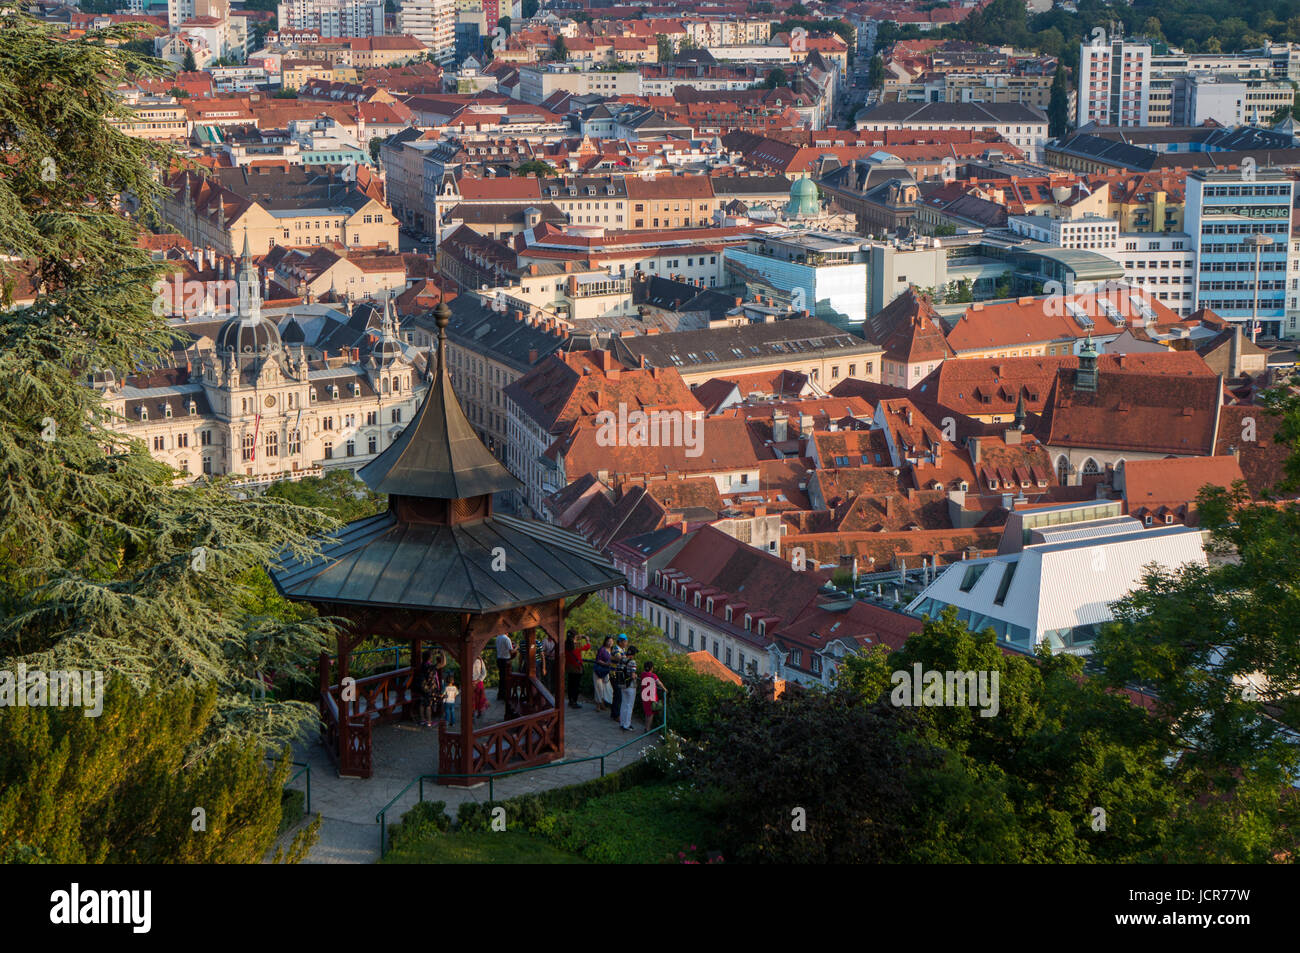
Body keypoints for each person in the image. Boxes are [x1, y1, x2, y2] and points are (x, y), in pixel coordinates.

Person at [616, 646, 639, 731]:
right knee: (629, 706)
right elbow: (633, 675)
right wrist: (636, 676)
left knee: (623, 704)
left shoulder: (621, 660)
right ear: (633, 654)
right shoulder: (632, 662)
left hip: (622, 685)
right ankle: (627, 725)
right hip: (630, 686)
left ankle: (622, 723)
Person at [564, 631, 589, 709]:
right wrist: (587, 640)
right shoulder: (577, 645)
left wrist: (580, 636)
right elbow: (587, 647)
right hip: (577, 668)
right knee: (576, 685)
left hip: (569, 667)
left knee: (570, 684)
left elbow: (573, 638)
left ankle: (570, 700)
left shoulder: (565, 644)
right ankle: (574, 702)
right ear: (574, 637)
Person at [639, 660, 666, 731]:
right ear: (652, 668)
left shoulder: (642, 674)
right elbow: (659, 683)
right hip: (651, 696)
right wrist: (665, 689)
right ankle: (648, 729)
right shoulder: (653, 676)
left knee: (647, 713)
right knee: (651, 714)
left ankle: (646, 727)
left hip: (644, 696)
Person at [609, 633, 628, 722]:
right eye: (625, 641)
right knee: (618, 694)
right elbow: (620, 658)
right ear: (620, 642)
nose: (626, 643)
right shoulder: (617, 649)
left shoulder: (623, 649)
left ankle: (614, 713)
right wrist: (627, 658)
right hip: (615, 673)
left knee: (617, 694)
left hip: (619, 674)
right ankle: (616, 714)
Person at [416, 649, 438, 727]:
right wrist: (442, 654)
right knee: (428, 705)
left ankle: (422, 720)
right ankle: (429, 721)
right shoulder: (430, 666)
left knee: (422, 704)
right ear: (429, 657)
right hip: (429, 688)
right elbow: (443, 663)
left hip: (421, 686)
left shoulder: (422, 665)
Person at [592, 636, 614, 712]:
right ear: (605, 641)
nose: (610, 642)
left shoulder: (612, 650)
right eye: (609, 641)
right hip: (598, 671)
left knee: (606, 688)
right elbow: (598, 660)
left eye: (611, 641)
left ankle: (602, 703)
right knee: (598, 688)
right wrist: (606, 664)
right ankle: (598, 705)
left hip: (606, 672)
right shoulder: (602, 649)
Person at [494, 632, 515, 700]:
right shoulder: (507, 639)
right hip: (506, 660)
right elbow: (511, 651)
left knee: (501, 678)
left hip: (499, 659)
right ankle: (506, 695)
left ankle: (500, 694)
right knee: (507, 678)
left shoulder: (497, 638)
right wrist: (516, 648)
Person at [472, 654, 488, 722]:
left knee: (479, 698)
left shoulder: (480, 660)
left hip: (476, 682)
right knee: (473, 699)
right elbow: (484, 673)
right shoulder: (479, 660)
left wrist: (477, 681)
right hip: (474, 682)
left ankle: (478, 712)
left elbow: (484, 673)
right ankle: (473, 714)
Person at [433, 652, 447, 718]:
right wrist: (443, 653)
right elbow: (444, 663)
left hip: (438, 683)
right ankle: (440, 712)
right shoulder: (438, 667)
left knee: (439, 698)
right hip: (439, 683)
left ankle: (439, 712)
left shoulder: (435, 666)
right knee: (441, 698)